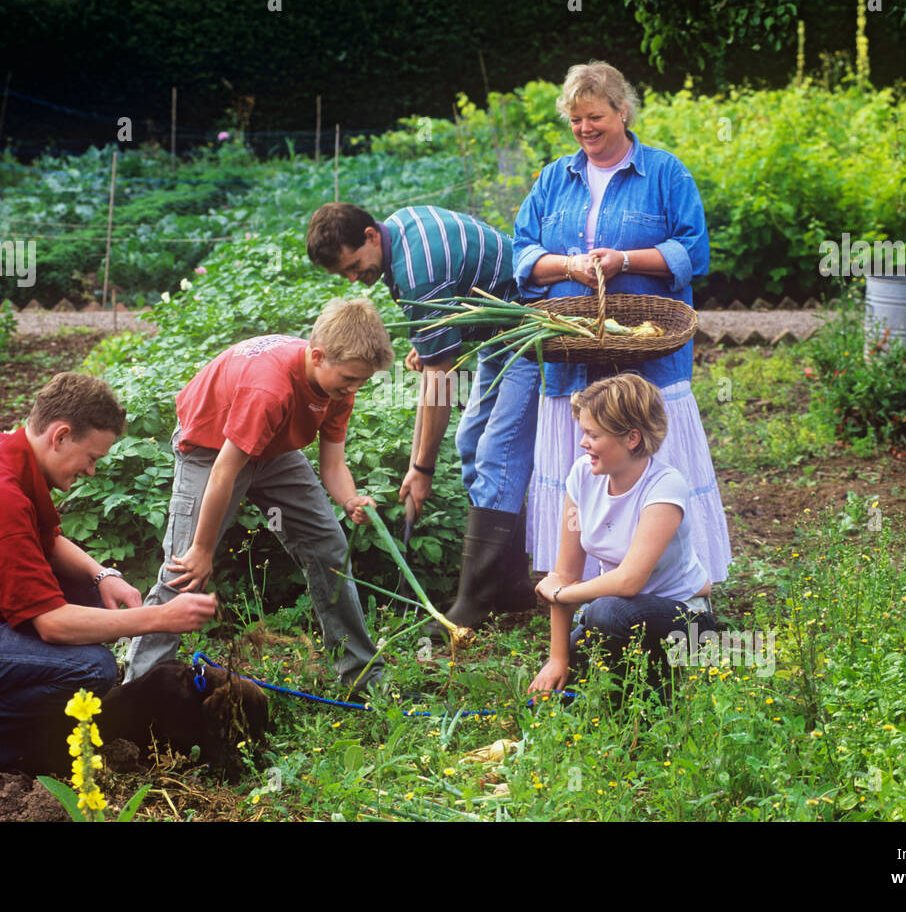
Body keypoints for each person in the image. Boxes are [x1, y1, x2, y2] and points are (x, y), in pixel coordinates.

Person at [0, 372, 219, 774]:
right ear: (60, 435)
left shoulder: (5, 450)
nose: (91, 471)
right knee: (91, 667)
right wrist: (160, 618)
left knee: (89, 598)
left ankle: (23, 728)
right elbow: (51, 625)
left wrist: (103, 575)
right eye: (92, 457)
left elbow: (44, 539)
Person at [513, 61, 731, 590]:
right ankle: (577, 585)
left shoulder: (664, 173)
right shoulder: (553, 178)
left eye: (596, 117)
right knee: (581, 464)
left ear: (623, 112)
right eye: (575, 120)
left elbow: (693, 252)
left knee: (651, 458)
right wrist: (570, 266)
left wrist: (625, 260)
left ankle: (678, 586)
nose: (585, 129)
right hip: (571, 353)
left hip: (646, 352)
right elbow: (522, 255)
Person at [123, 297, 395, 692]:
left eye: (361, 382)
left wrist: (350, 500)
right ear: (317, 356)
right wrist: (202, 549)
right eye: (349, 380)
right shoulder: (269, 389)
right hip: (210, 451)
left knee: (329, 546)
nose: (353, 390)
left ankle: (363, 676)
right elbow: (224, 472)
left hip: (273, 449)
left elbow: (333, 465)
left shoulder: (337, 384)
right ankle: (137, 689)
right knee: (184, 571)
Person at [306, 202, 541, 627]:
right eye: (345, 275)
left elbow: (439, 385)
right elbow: (443, 339)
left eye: (356, 266)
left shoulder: (418, 272)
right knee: (470, 441)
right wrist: (435, 345)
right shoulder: (400, 232)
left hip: (531, 332)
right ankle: (511, 585)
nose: (355, 279)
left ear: (370, 236)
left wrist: (422, 468)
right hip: (496, 332)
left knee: (496, 454)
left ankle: (474, 601)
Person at [527, 374, 715, 696]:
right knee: (563, 688)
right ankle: (634, 690)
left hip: (685, 620)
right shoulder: (581, 477)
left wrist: (560, 594)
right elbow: (564, 573)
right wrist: (558, 658)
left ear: (632, 438)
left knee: (605, 612)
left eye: (593, 434)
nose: (583, 442)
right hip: (618, 613)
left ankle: (652, 703)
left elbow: (628, 582)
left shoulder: (665, 487)